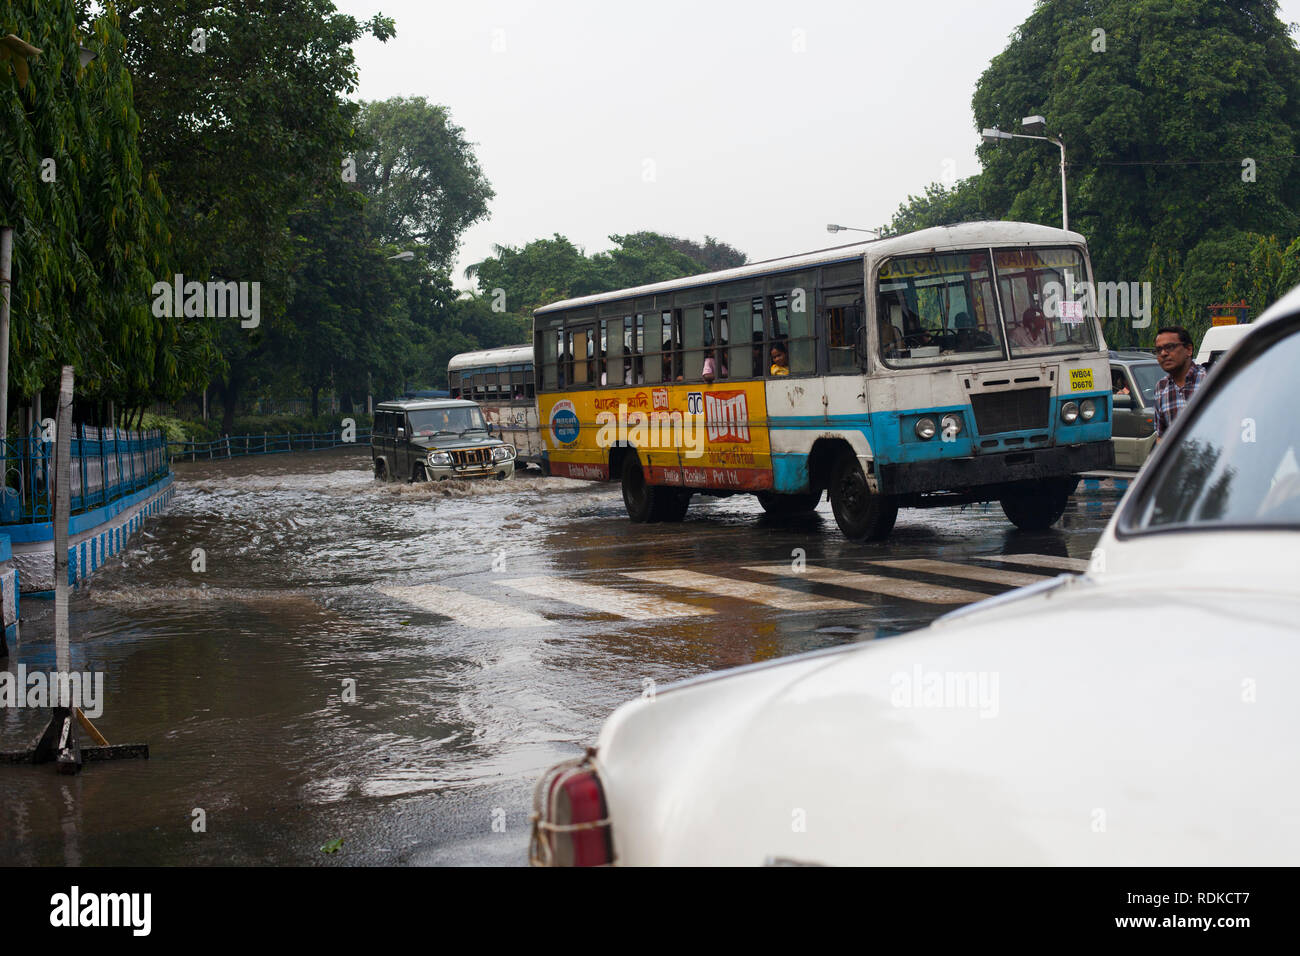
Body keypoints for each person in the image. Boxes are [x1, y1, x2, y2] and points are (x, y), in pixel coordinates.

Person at [1152, 325, 1205, 440]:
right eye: (1158, 350)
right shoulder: (1161, 388)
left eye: (1170, 347)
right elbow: (1161, 437)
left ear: (1189, 350)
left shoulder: (1208, 380)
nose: (1163, 353)